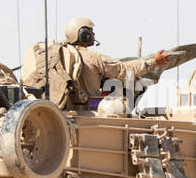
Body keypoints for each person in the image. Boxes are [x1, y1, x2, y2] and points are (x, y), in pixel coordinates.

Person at [22, 18, 168, 110]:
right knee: (120, 105)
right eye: (91, 31)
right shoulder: (93, 57)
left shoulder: (57, 54)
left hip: (62, 108)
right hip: (90, 107)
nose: (94, 35)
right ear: (83, 34)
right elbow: (125, 70)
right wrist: (154, 62)